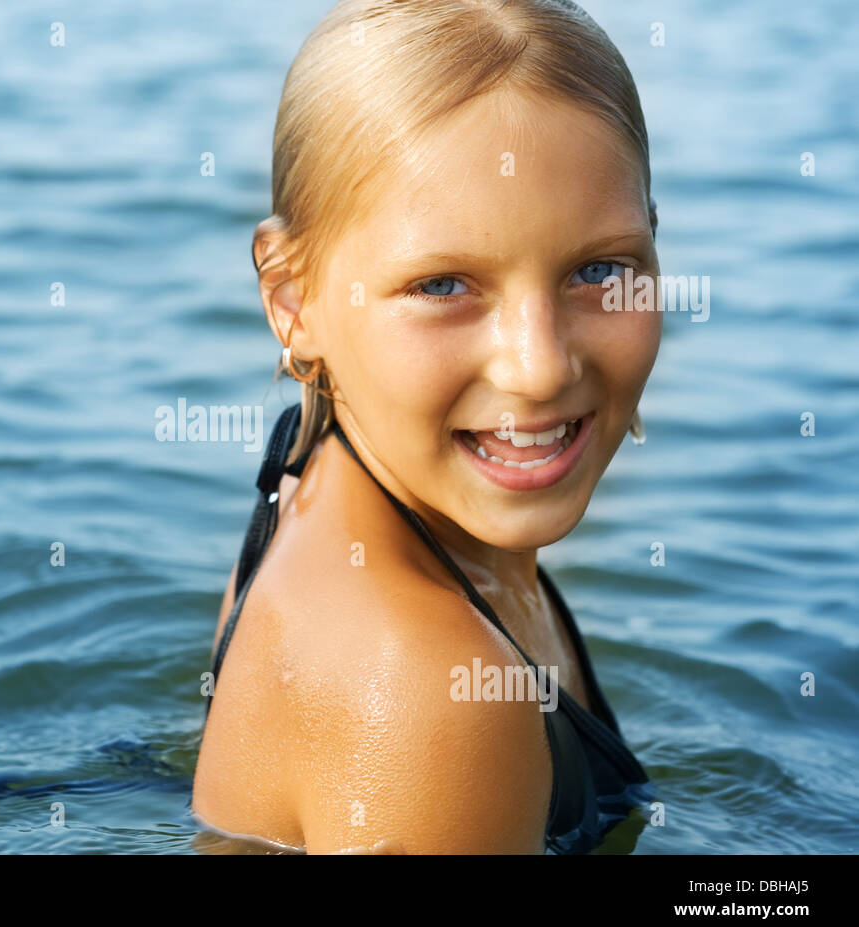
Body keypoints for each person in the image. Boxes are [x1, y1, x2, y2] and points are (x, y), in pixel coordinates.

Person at [192, 0, 660, 854]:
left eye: (598, 270)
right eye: (444, 286)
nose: (540, 366)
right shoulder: (433, 695)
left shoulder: (307, 478)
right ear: (294, 301)